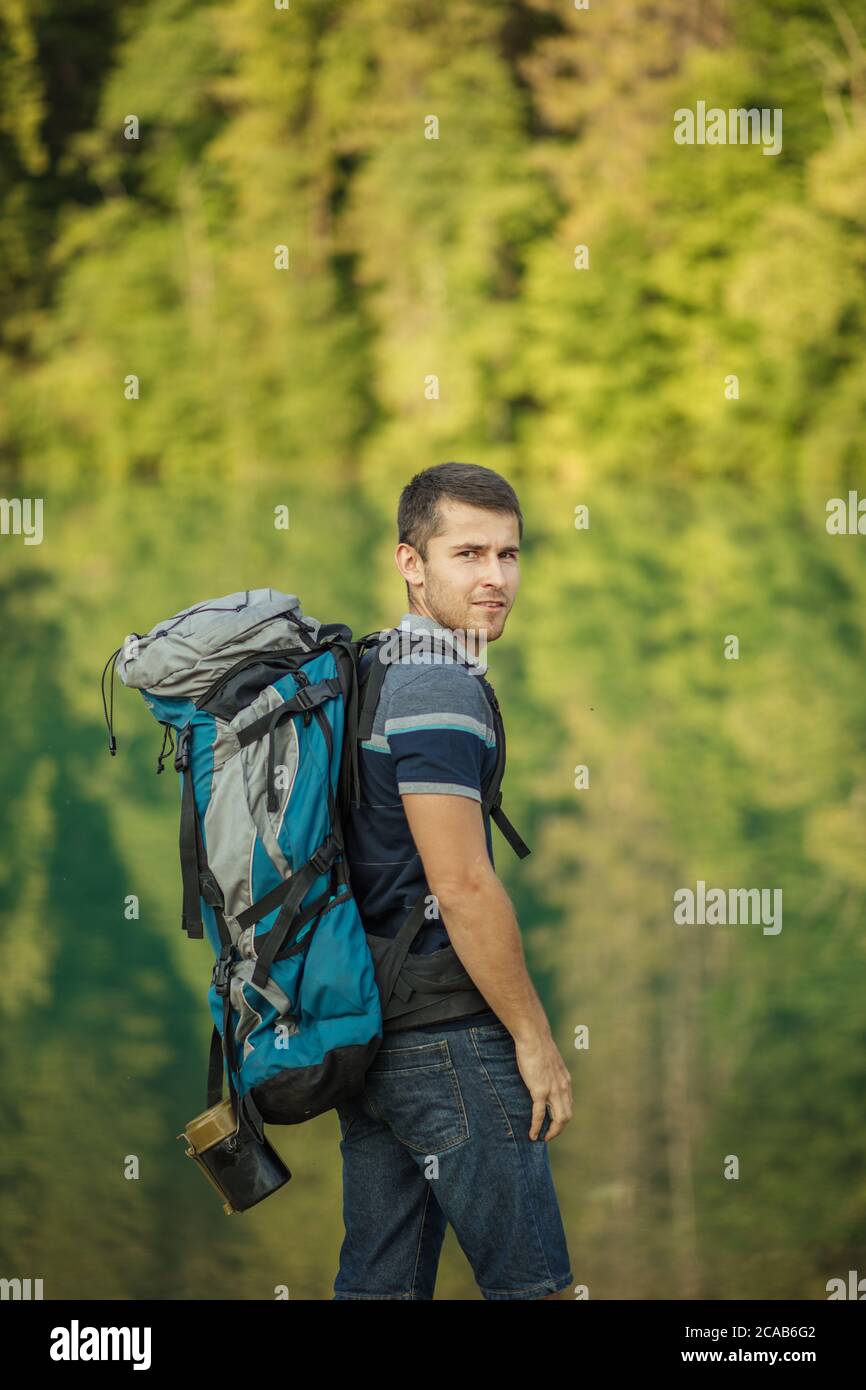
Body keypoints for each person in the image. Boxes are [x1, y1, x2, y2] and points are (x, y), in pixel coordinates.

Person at [334, 461, 573, 1300]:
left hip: (374, 1027)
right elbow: (464, 886)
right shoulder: (439, 686)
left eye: (509, 556)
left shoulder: (377, 665)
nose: (495, 579)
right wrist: (534, 1041)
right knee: (532, 1284)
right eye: (468, 554)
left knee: (379, 1287)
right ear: (411, 562)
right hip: (448, 1041)